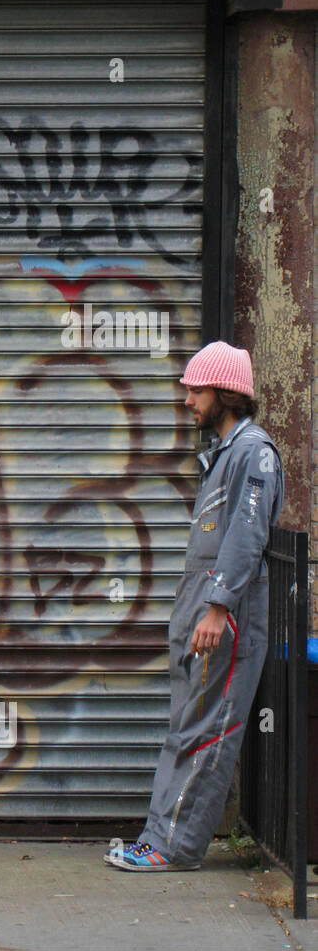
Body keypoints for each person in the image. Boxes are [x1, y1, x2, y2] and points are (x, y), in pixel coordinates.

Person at [106, 341, 283, 871]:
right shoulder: (226, 453)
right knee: (185, 731)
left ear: (226, 393)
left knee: (206, 735)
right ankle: (156, 838)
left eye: (196, 389)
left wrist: (216, 607)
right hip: (199, 617)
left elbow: (247, 536)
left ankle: (172, 849)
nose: (187, 400)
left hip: (223, 622)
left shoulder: (255, 453)